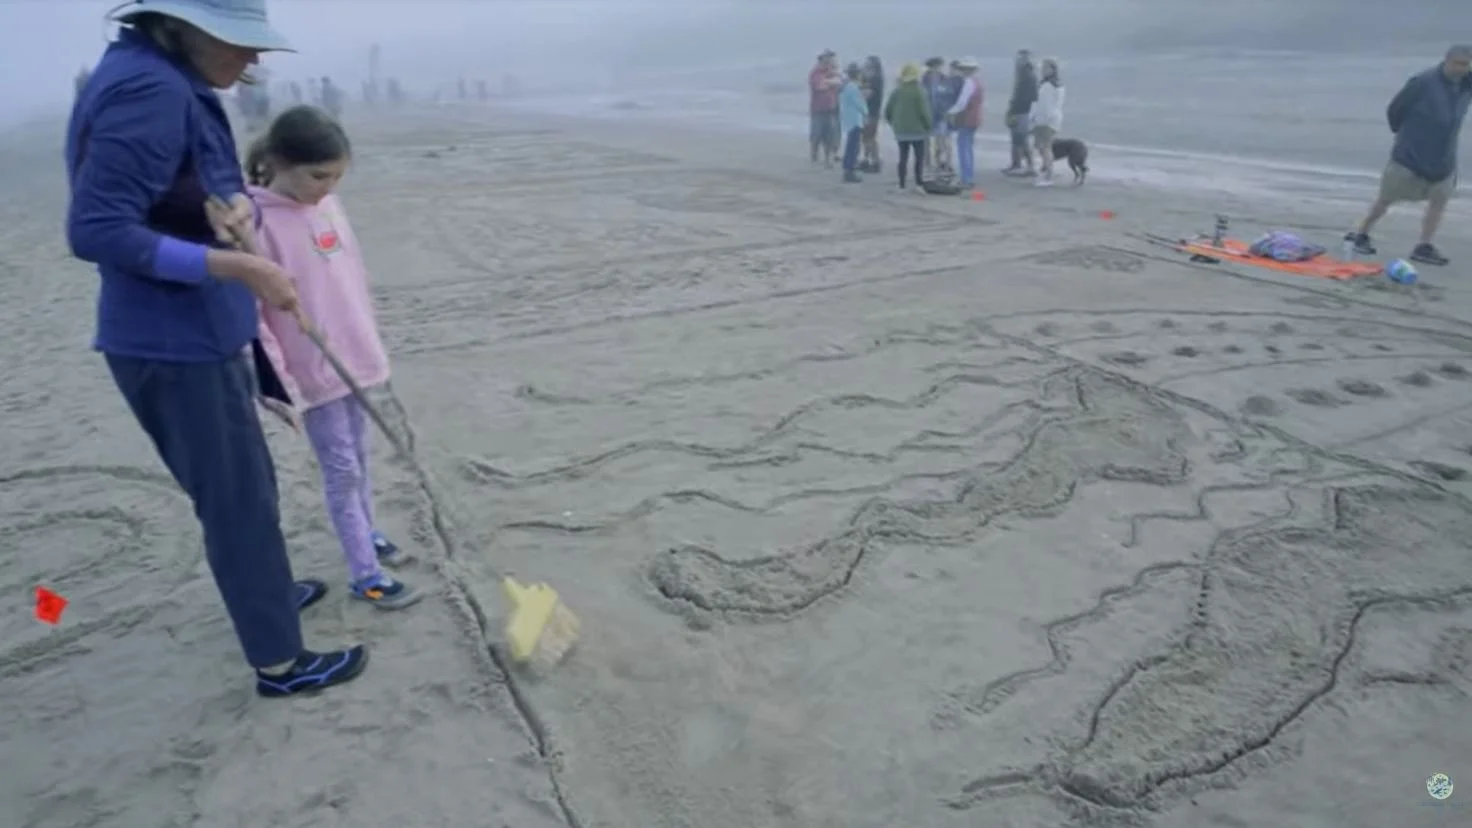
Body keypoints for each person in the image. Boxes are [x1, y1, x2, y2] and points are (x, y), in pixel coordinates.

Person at [64, 0, 368, 697]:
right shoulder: (148, 87)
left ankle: (267, 592)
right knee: (236, 502)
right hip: (174, 341)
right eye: (236, 41)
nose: (252, 59)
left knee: (249, 485)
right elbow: (96, 229)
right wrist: (240, 267)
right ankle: (280, 663)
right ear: (180, 24)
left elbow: (185, 183)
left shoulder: (161, 73)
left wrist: (231, 211)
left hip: (201, 330)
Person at [244, 106, 423, 610]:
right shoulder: (254, 222)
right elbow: (256, 316)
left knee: (361, 459)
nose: (326, 187)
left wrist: (368, 336)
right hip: (314, 368)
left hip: (353, 353)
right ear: (279, 162)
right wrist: (282, 385)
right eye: (317, 175)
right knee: (341, 470)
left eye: (337, 176)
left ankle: (366, 533)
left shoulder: (328, 205)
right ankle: (364, 574)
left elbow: (352, 276)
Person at [1345, 44, 1472, 266]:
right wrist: (1404, 135)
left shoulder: (1466, 83)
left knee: (1439, 200)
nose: (1462, 69)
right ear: (1447, 61)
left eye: (1467, 65)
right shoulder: (1423, 82)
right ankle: (1360, 234)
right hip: (1410, 154)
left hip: (1444, 156)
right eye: (1459, 64)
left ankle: (1423, 245)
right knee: (1386, 198)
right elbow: (1395, 109)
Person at [885, 62, 933, 191]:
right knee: (919, 158)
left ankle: (901, 185)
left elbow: (888, 111)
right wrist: (929, 126)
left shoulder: (897, 91)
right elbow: (924, 112)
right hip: (918, 131)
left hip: (901, 131)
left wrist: (894, 124)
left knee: (903, 157)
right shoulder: (919, 91)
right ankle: (918, 184)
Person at [947, 57, 984, 190]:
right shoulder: (977, 82)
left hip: (967, 119)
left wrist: (950, 112)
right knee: (968, 147)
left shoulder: (968, 83)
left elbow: (962, 103)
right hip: (976, 118)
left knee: (963, 148)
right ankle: (968, 176)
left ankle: (966, 178)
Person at [1031, 58, 1065, 187]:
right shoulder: (1057, 84)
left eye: (1045, 68)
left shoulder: (1048, 86)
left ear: (1052, 69)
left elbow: (1044, 105)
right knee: (1043, 147)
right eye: (1042, 68)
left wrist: (1036, 118)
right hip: (1051, 119)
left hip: (1045, 120)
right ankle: (1047, 170)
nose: (1042, 70)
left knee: (1045, 147)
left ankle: (1049, 175)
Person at [1004, 49, 1038, 176]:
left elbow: (1025, 97)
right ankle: (1021, 164)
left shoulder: (1027, 76)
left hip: (1022, 111)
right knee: (1019, 139)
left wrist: (1012, 110)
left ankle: (1024, 165)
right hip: (1021, 111)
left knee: (1020, 139)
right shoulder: (1026, 75)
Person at [808, 50, 842, 166]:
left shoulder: (833, 72)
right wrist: (831, 82)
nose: (829, 62)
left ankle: (828, 159)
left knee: (830, 135)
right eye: (827, 59)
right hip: (818, 109)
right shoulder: (815, 73)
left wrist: (830, 81)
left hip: (831, 109)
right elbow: (820, 86)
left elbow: (839, 83)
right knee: (816, 135)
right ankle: (814, 155)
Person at [921, 57, 953, 174]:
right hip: (927, 113)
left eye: (939, 66)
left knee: (940, 141)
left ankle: (939, 162)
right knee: (926, 141)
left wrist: (946, 111)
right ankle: (927, 163)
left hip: (940, 114)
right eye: (935, 67)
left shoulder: (945, 79)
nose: (937, 69)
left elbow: (948, 96)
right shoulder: (924, 79)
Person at [838, 64, 869, 183]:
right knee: (853, 147)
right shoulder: (853, 87)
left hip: (848, 119)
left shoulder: (845, 86)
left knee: (851, 145)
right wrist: (866, 113)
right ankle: (849, 171)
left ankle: (848, 169)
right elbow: (859, 103)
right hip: (855, 120)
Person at [860, 55, 885, 172]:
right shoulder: (868, 79)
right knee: (866, 137)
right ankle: (866, 159)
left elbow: (867, 95)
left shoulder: (876, 79)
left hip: (872, 112)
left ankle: (875, 161)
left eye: (868, 64)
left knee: (869, 137)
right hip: (868, 112)